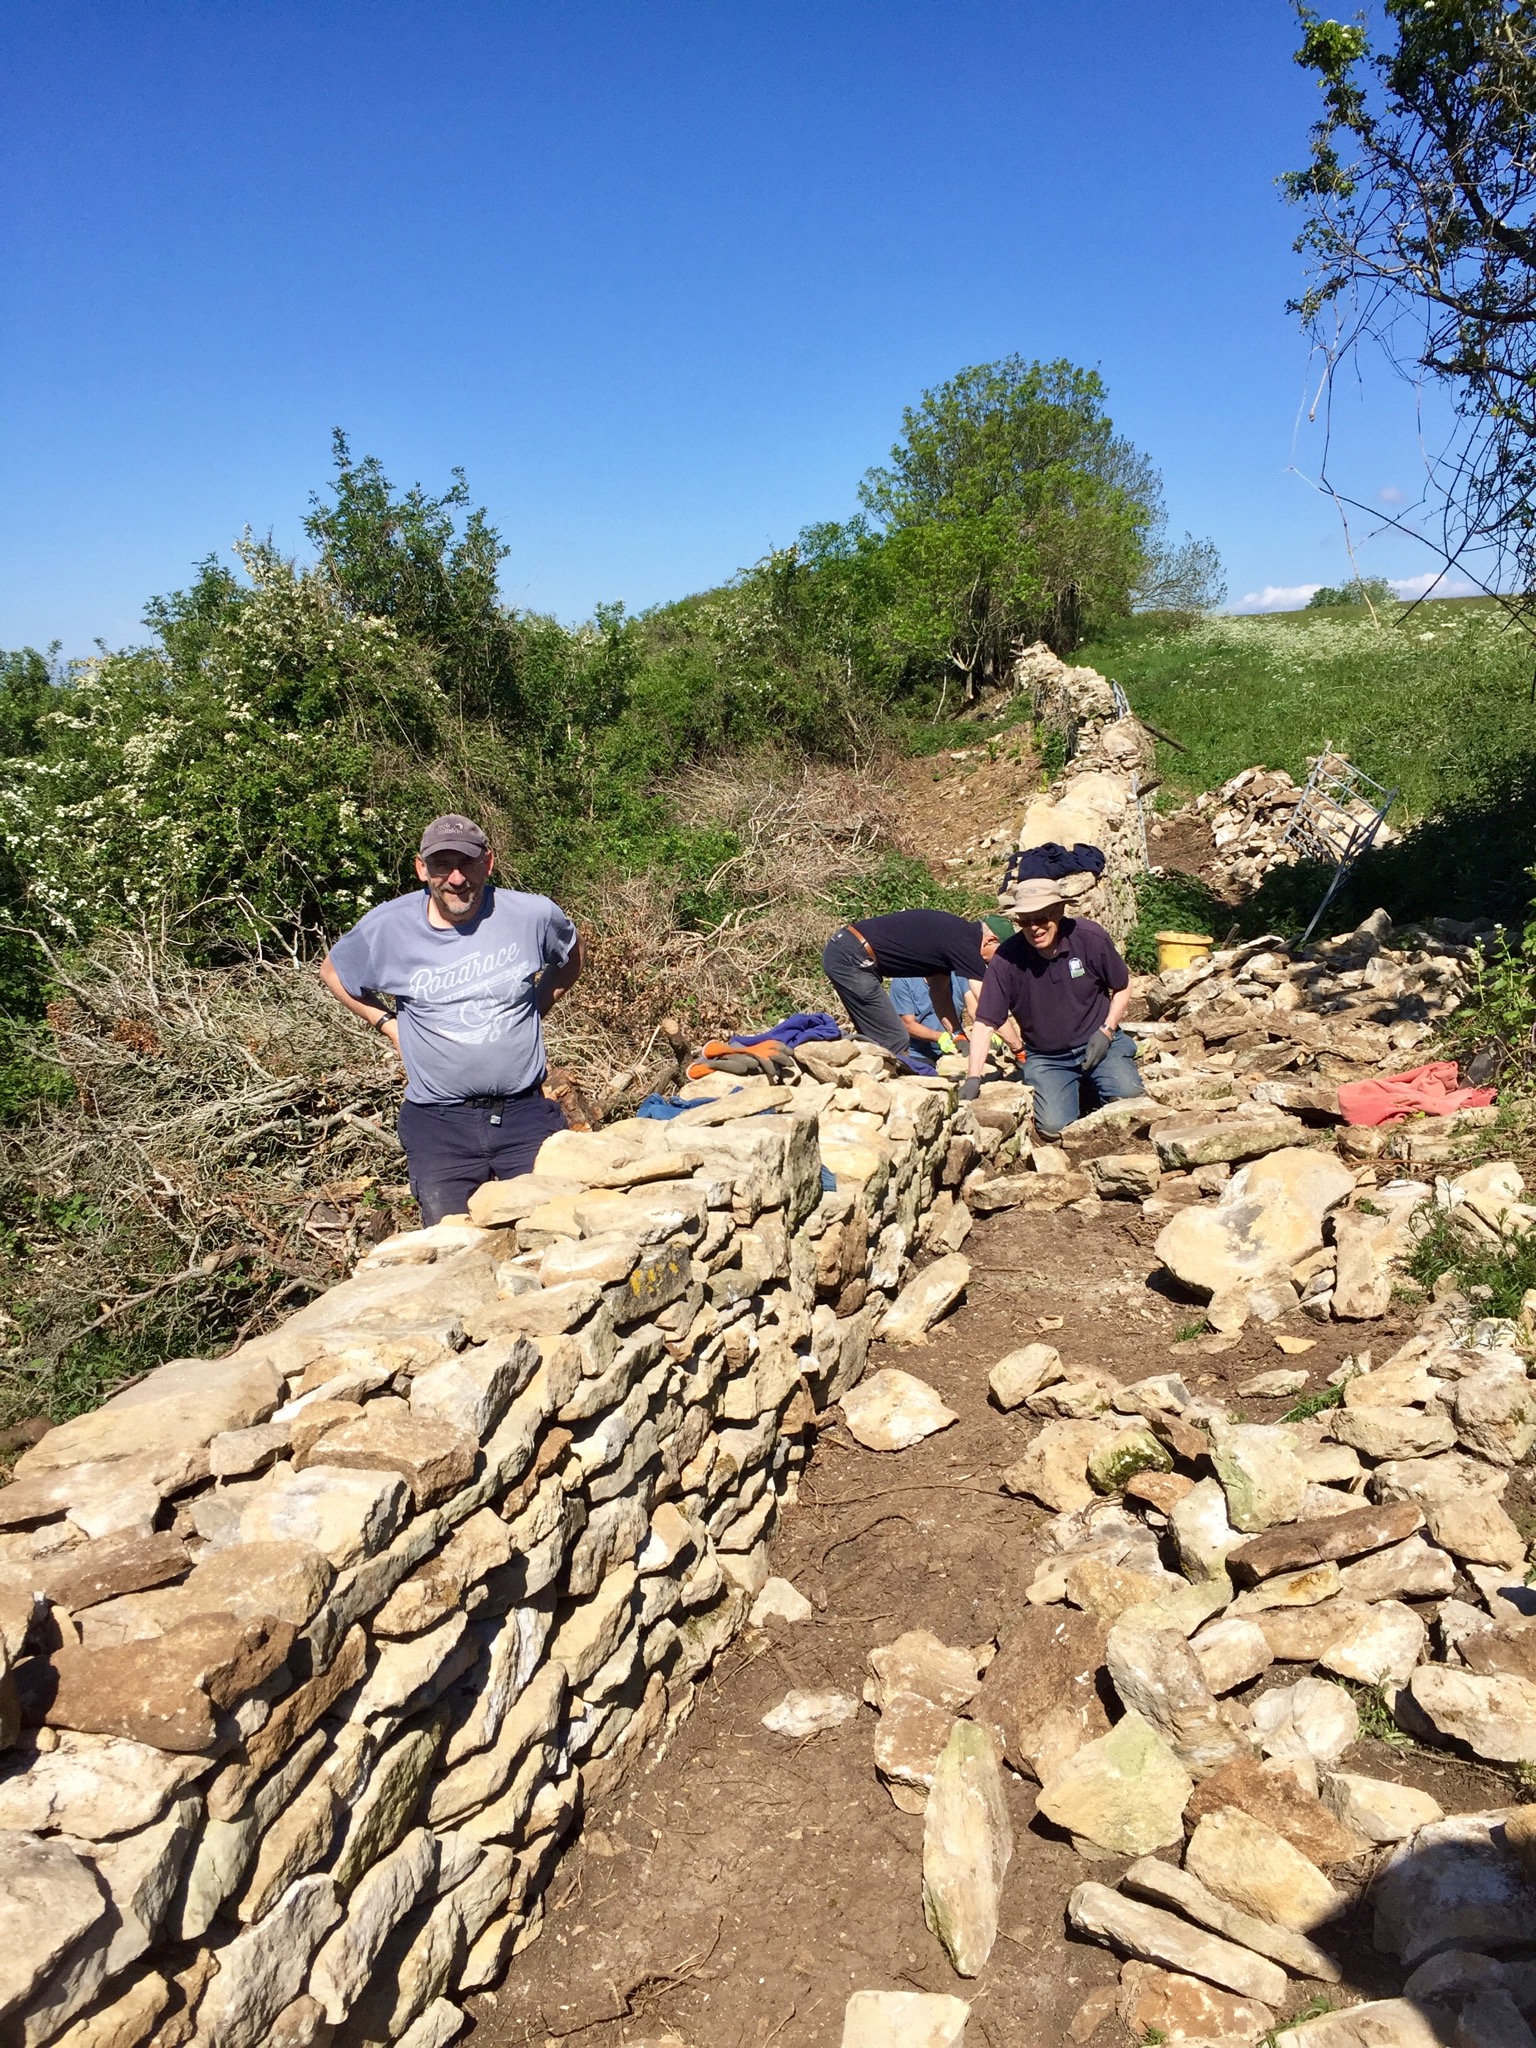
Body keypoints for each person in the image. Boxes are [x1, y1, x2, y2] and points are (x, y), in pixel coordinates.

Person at [320, 813, 584, 1224]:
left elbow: (570, 957)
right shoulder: (389, 927)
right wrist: (389, 1025)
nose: (456, 879)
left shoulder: (530, 915)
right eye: (442, 865)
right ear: (422, 868)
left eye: (467, 864)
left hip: (524, 1115)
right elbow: (333, 973)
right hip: (438, 1125)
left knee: (552, 1230)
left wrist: (534, 1007)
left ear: (489, 863)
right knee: (452, 1248)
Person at [959, 878, 1144, 1136]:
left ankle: (1091, 1085)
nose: (1033, 927)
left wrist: (1107, 1030)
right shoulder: (1006, 960)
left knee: (1130, 1098)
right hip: (1048, 1058)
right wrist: (973, 1077)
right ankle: (1075, 1090)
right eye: (1024, 920)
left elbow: (1123, 986)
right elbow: (986, 1021)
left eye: (1041, 918)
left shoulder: (1089, 938)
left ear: (1059, 912)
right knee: (1053, 1127)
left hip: (1101, 1043)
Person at [822, 909, 1020, 1062]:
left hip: (849, 952)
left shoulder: (952, 941)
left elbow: (940, 991)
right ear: (991, 940)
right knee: (895, 1039)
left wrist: (957, 1035)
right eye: (1000, 955)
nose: (997, 963)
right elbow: (988, 1004)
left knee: (878, 1040)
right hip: (851, 958)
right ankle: (897, 1100)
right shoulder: (965, 944)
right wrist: (1019, 1050)